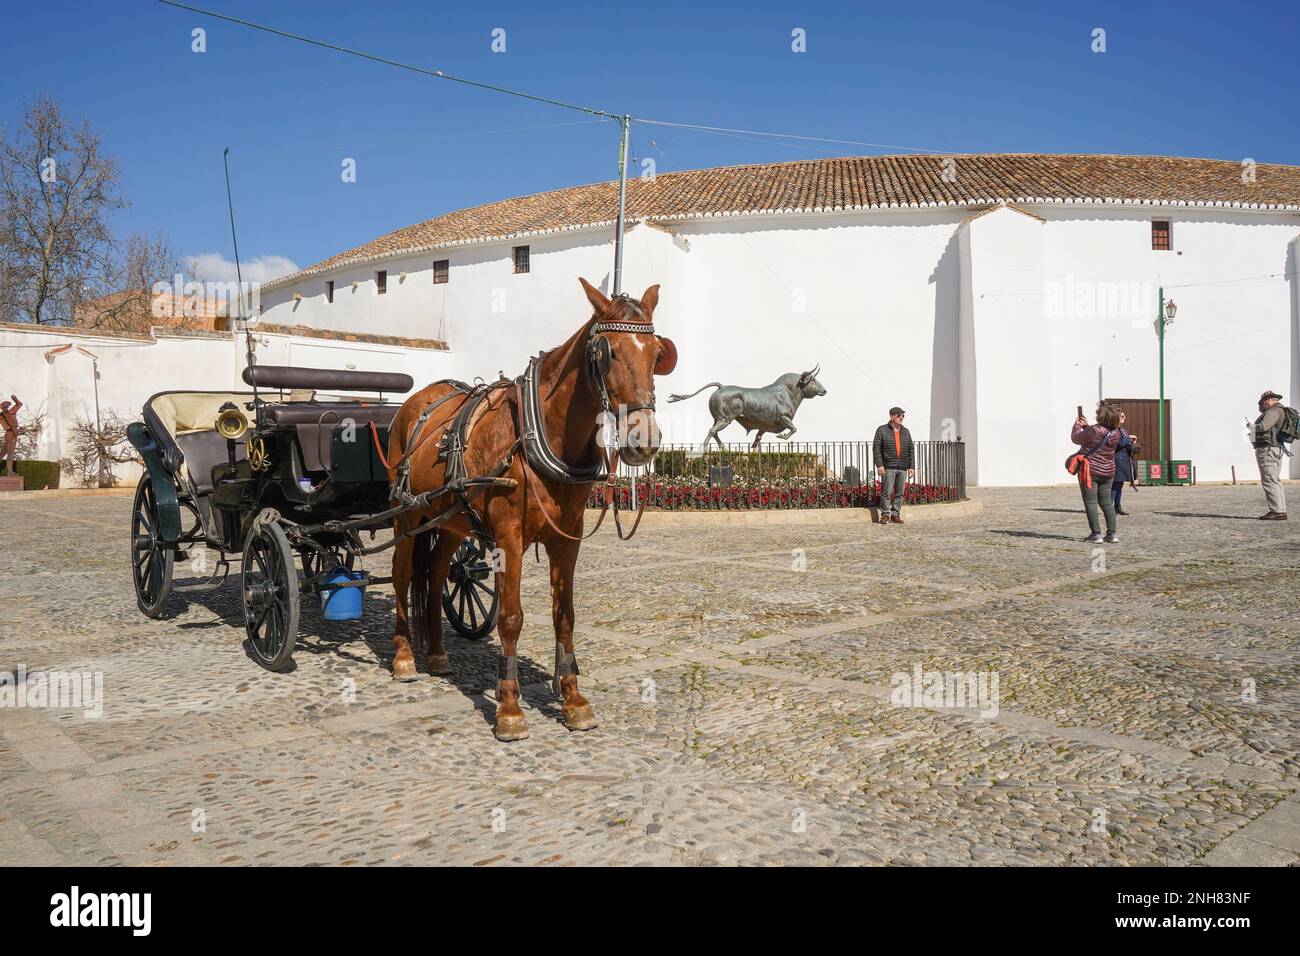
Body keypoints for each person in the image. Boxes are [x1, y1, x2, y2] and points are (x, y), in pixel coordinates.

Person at [1071, 402, 1122, 544]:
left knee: (1090, 501)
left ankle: (1095, 534)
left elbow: (1076, 438)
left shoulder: (1094, 430)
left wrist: (1077, 426)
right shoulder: (1116, 432)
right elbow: (1099, 438)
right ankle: (1112, 534)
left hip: (1090, 471)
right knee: (1106, 502)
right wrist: (1087, 427)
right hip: (1108, 471)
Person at [873, 406, 914, 525]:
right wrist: (879, 465)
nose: (901, 417)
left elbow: (910, 449)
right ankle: (885, 514)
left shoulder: (905, 431)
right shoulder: (882, 430)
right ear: (891, 416)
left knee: (900, 492)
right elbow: (876, 448)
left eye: (903, 415)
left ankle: (895, 514)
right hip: (888, 466)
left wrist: (911, 466)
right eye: (899, 415)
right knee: (886, 491)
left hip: (902, 467)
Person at [1253, 389, 1287, 520]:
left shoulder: (1273, 411)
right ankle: (1280, 509)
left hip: (1268, 449)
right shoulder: (1280, 410)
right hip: (1275, 448)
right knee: (1274, 479)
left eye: (1262, 403)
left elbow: (1263, 427)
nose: (1261, 406)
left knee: (1269, 479)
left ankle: (1277, 511)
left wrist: (1251, 426)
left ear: (1269, 400)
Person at [1112, 411, 1138, 516]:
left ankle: (1117, 506)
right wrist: (1129, 438)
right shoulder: (1113, 430)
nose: (1124, 417)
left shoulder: (1122, 429)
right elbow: (1118, 443)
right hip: (1117, 460)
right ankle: (1110, 507)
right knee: (1114, 485)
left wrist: (1133, 444)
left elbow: (1125, 445)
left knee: (1120, 484)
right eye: (1122, 416)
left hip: (1124, 460)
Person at [0, 395, 22, 476]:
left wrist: (15, 399)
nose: (5, 408)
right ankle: (10, 472)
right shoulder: (1, 416)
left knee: (2, 453)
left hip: (14, 433)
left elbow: (19, 404)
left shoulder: (12, 411)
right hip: (10, 434)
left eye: (6, 407)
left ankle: (10, 472)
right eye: (4, 407)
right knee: (10, 453)